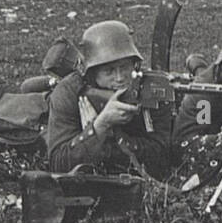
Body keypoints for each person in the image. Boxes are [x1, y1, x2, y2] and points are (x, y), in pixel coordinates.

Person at [46, 20, 171, 178]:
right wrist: (100, 126)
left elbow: (162, 160)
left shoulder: (152, 90)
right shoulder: (69, 92)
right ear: (92, 73)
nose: (119, 78)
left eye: (125, 67)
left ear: (135, 65)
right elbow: (58, 164)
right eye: (109, 71)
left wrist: (111, 138)